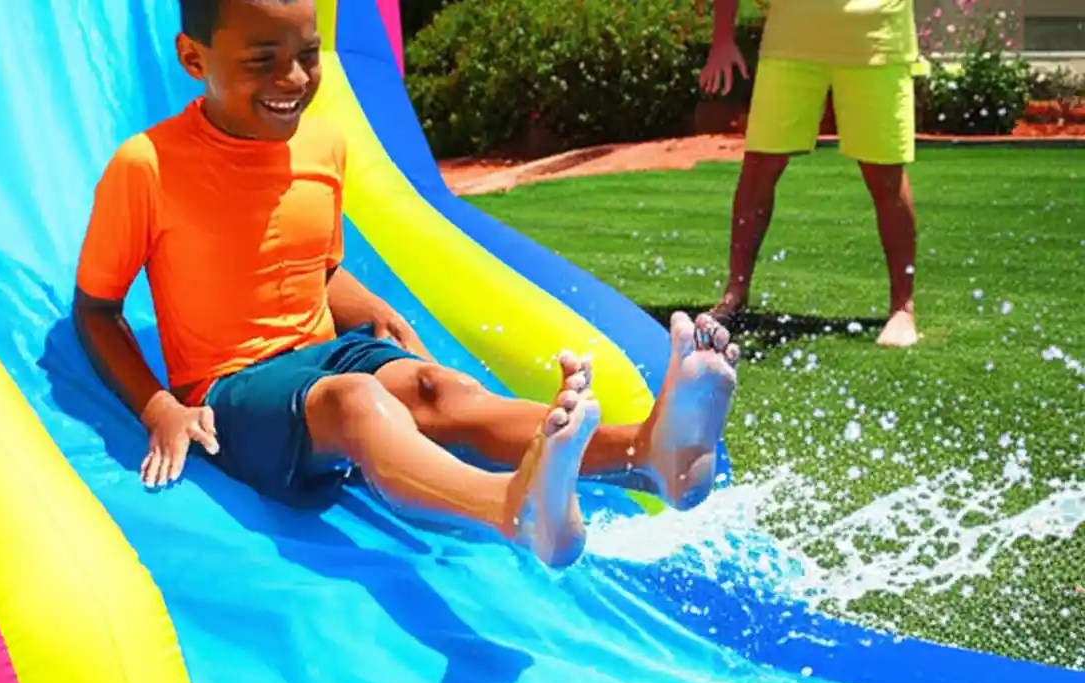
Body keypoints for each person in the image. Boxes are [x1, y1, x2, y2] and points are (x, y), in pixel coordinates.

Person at [73, 0, 741, 568]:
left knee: (439, 387)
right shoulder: (148, 167)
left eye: (307, 53)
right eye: (262, 59)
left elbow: (317, 266)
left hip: (322, 352)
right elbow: (97, 311)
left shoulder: (322, 145)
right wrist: (159, 406)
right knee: (357, 403)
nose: (293, 77)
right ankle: (508, 508)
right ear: (194, 59)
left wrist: (370, 306)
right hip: (232, 388)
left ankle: (652, 450)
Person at [700, 0, 921, 347]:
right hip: (791, 40)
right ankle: (736, 292)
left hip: (876, 41)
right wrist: (722, 40)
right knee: (759, 167)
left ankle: (902, 309)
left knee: (885, 175)